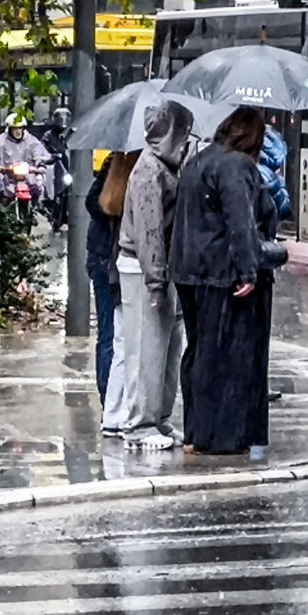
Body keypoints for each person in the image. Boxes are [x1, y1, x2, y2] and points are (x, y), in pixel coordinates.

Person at [169, 106, 279, 457]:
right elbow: (240, 221)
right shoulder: (235, 166)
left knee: (199, 351)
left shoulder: (198, 161)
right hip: (221, 274)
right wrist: (248, 271)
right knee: (225, 356)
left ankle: (195, 431)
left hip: (188, 270)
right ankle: (220, 436)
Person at [100, 102, 191, 448]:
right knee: (147, 348)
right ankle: (140, 423)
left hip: (156, 269)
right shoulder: (149, 171)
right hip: (144, 269)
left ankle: (158, 418)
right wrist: (156, 283)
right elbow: (150, 231)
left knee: (165, 348)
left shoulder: (163, 166)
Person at [85, 150, 133, 395]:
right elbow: (93, 203)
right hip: (108, 257)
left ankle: (110, 400)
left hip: (103, 256)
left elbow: (91, 202)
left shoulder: (115, 161)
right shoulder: (122, 163)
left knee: (110, 332)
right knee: (112, 333)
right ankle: (110, 398)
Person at [0, 114, 53, 197]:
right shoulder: (1, 140)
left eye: (20, 128)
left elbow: (38, 152)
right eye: (15, 128)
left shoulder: (31, 140)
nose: (18, 131)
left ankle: (36, 206)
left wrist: (40, 165)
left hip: (27, 176)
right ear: (10, 129)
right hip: (7, 176)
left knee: (37, 187)